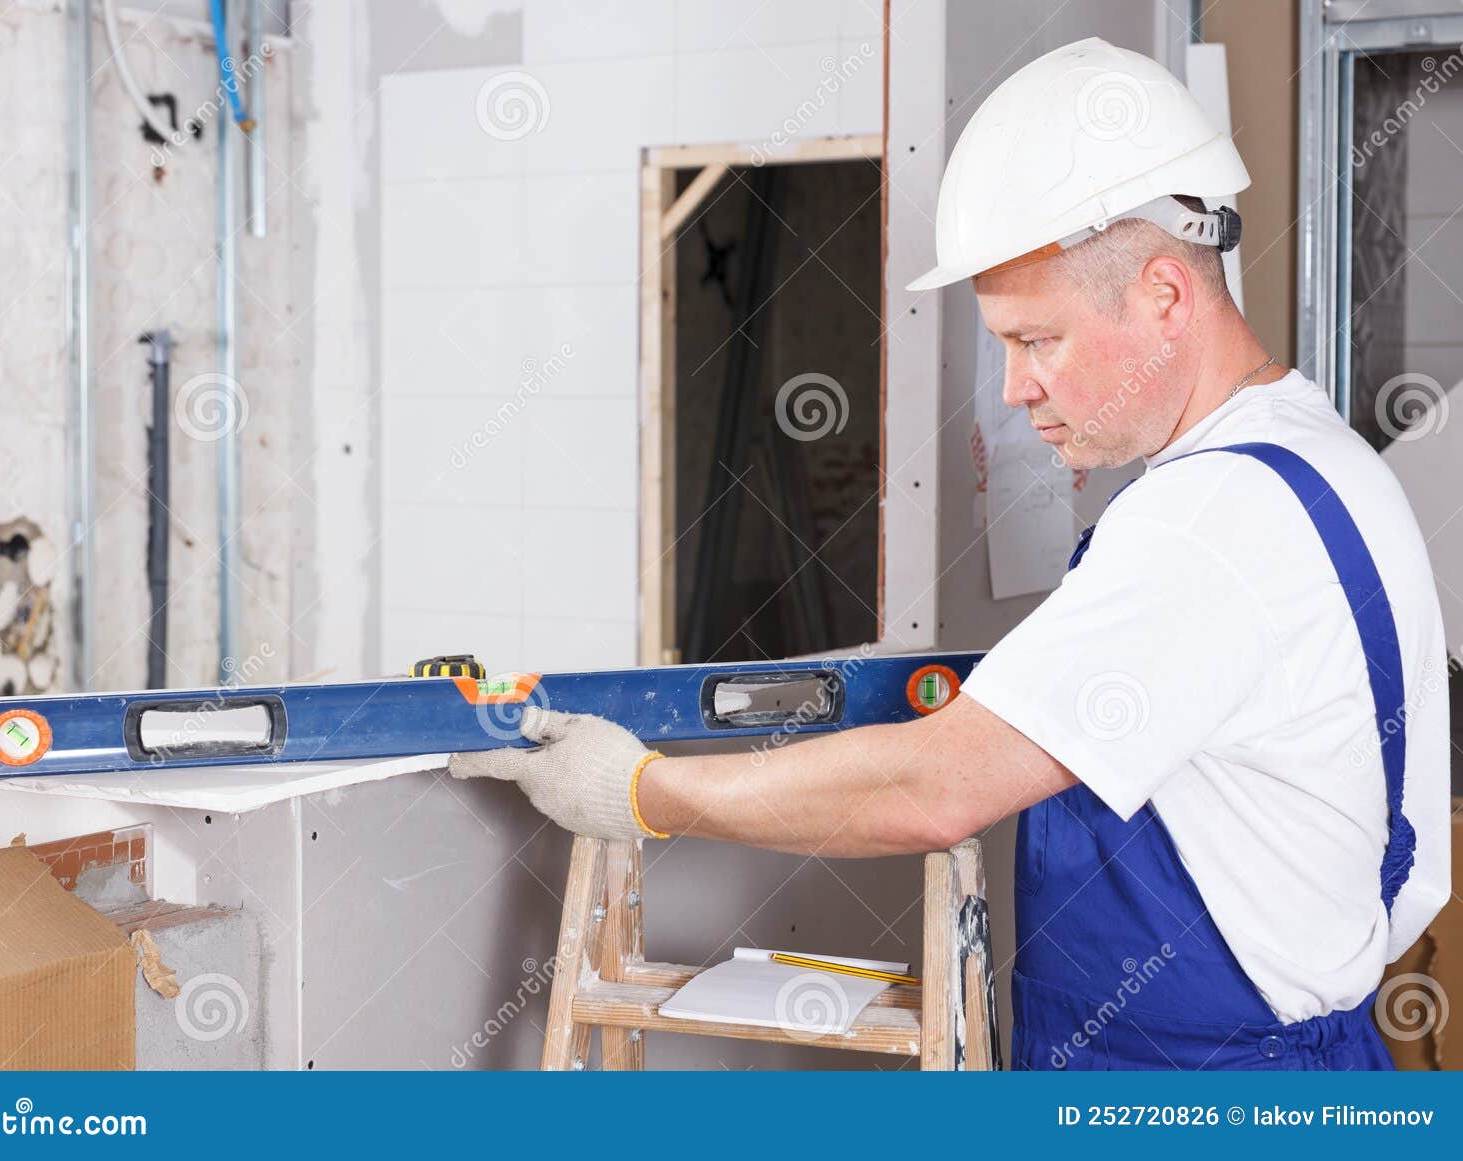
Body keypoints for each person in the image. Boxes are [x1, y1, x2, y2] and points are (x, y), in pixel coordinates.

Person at [451, 38, 1450, 1071]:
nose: (1016, 388)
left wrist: (642, 792)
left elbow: (932, 791)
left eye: (1037, 341)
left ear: (1162, 293)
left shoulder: (1207, 522)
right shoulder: (1315, 454)